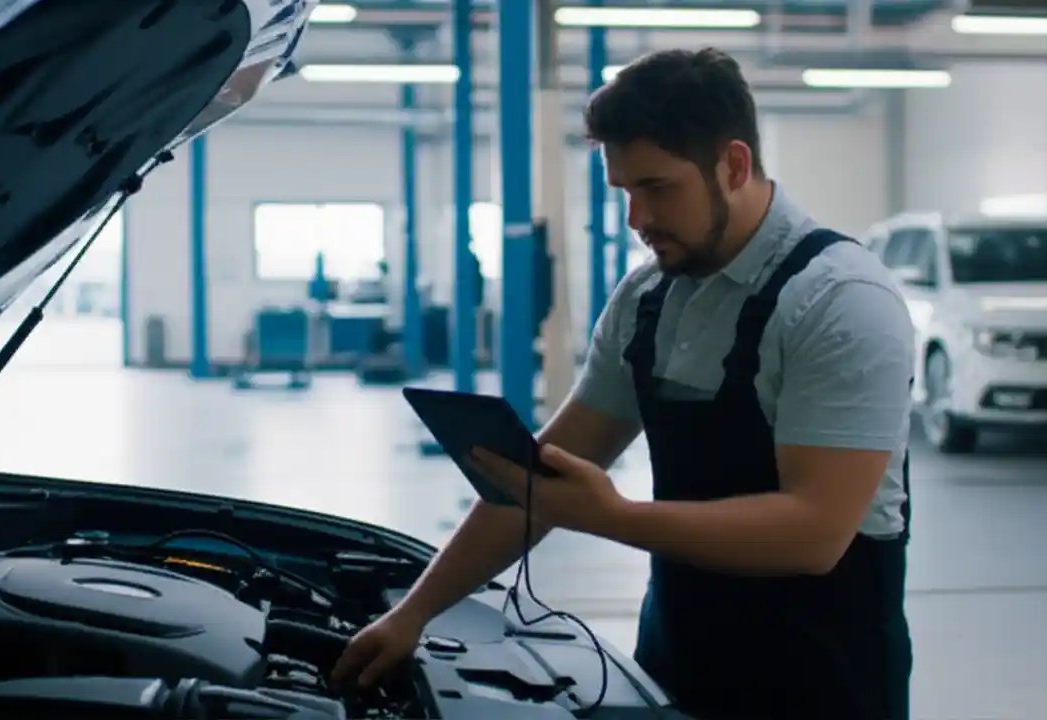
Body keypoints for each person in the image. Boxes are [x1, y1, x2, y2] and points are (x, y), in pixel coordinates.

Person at [331, 46, 915, 720]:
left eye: (658, 188)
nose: (637, 218)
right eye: (625, 191)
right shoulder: (648, 299)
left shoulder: (840, 302)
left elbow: (815, 532)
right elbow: (537, 482)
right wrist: (413, 615)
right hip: (677, 665)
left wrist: (612, 517)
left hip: (822, 682)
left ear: (733, 166)